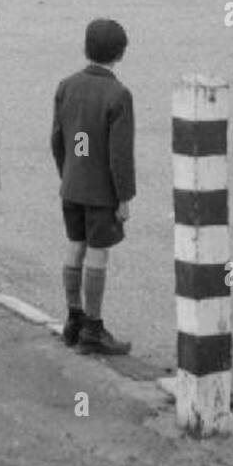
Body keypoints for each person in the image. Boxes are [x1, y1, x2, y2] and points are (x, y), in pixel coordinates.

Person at [50, 18, 136, 357]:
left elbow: (59, 139)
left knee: (75, 246)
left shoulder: (67, 85)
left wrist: (68, 172)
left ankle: (73, 316)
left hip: (72, 184)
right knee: (98, 254)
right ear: (120, 54)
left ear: (85, 48)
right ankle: (93, 327)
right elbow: (119, 154)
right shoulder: (118, 94)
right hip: (101, 192)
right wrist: (124, 196)